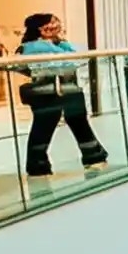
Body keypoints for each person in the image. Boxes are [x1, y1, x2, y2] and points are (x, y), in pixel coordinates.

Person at [16, 14, 108, 177]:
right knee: (44, 127)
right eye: (50, 22)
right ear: (40, 28)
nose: (55, 25)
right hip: (47, 94)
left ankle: (93, 157)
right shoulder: (30, 48)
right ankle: (39, 164)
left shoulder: (63, 46)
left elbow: (76, 59)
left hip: (68, 91)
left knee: (77, 123)